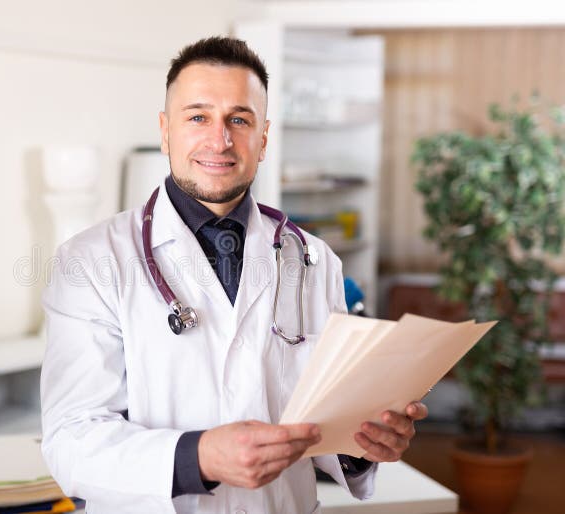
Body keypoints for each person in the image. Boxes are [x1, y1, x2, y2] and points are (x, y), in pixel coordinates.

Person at [40, 36, 427, 514]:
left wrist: (363, 446)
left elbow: (327, 420)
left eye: (239, 120)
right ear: (165, 131)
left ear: (263, 139)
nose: (219, 140)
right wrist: (199, 457)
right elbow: (71, 442)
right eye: (198, 117)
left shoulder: (315, 260)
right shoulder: (91, 261)